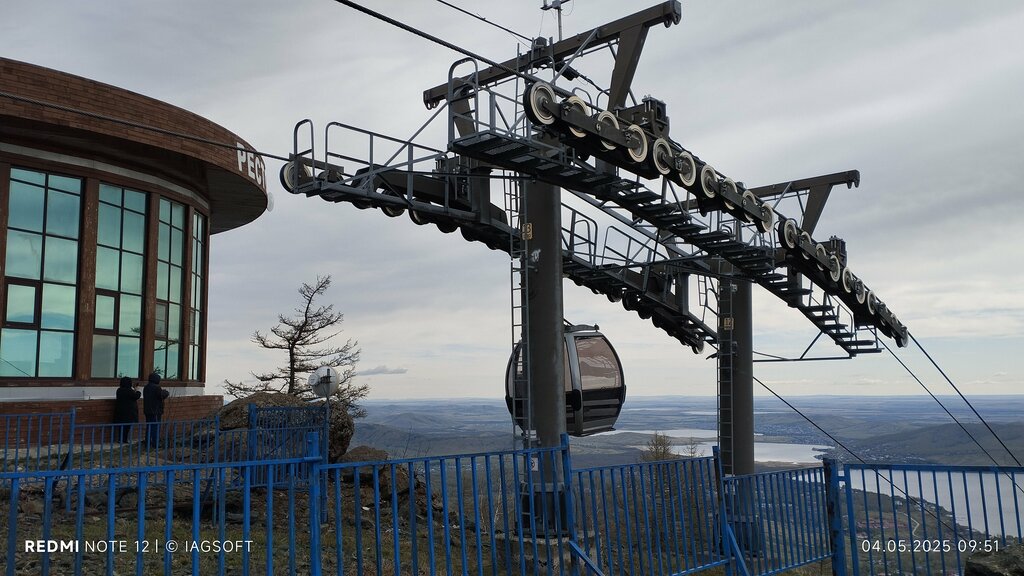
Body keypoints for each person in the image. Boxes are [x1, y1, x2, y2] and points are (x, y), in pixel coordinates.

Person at [142, 372, 169, 447]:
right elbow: (161, 395)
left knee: (149, 427)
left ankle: (147, 443)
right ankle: (155, 443)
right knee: (155, 428)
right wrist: (166, 392)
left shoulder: (146, 387)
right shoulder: (156, 387)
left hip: (147, 410)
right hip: (156, 410)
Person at [113, 376, 141, 442]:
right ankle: (124, 439)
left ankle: (120, 439)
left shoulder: (119, 390)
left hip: (120, 411)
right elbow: (136, 396)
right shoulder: (129, 391)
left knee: (121, 426)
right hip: (129, 413)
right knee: (127, 427)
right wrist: (137, 390)